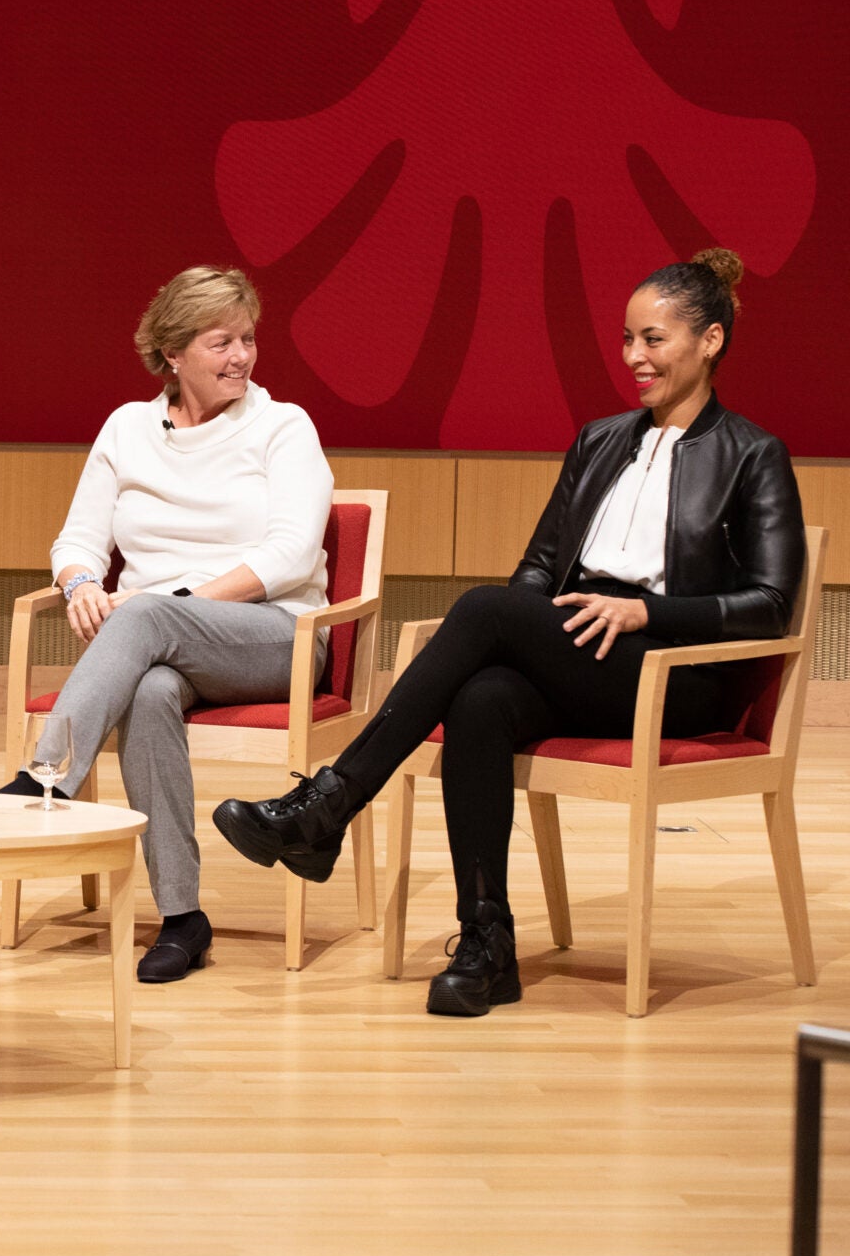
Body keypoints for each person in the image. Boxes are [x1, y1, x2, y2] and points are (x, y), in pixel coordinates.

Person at [214, 249, 802, 1017]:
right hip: (581, 652)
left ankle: (330, 804)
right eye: (627, 339)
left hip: (672, 672)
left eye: (653, 339)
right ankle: (487, 943)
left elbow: (771, 603)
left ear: (711, 340)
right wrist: (528, 628)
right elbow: (542, 567)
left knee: (487, 610)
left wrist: (646, 612)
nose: (633, 357)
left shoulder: (753, 454)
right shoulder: (600, 441)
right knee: (482, 698)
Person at [0, 267, 333, 983]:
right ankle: (183, 916)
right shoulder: (126, 427)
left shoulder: (282, 426)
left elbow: (291, 553)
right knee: (146, 695)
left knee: (144, 608)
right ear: (173, 354)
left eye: (247, 339)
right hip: (162, 640)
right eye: (221, 342)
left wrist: (176, 602)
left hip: (277, 634)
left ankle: (46, 779)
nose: (241, 355)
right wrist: (81, 582)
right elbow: (77, 541)